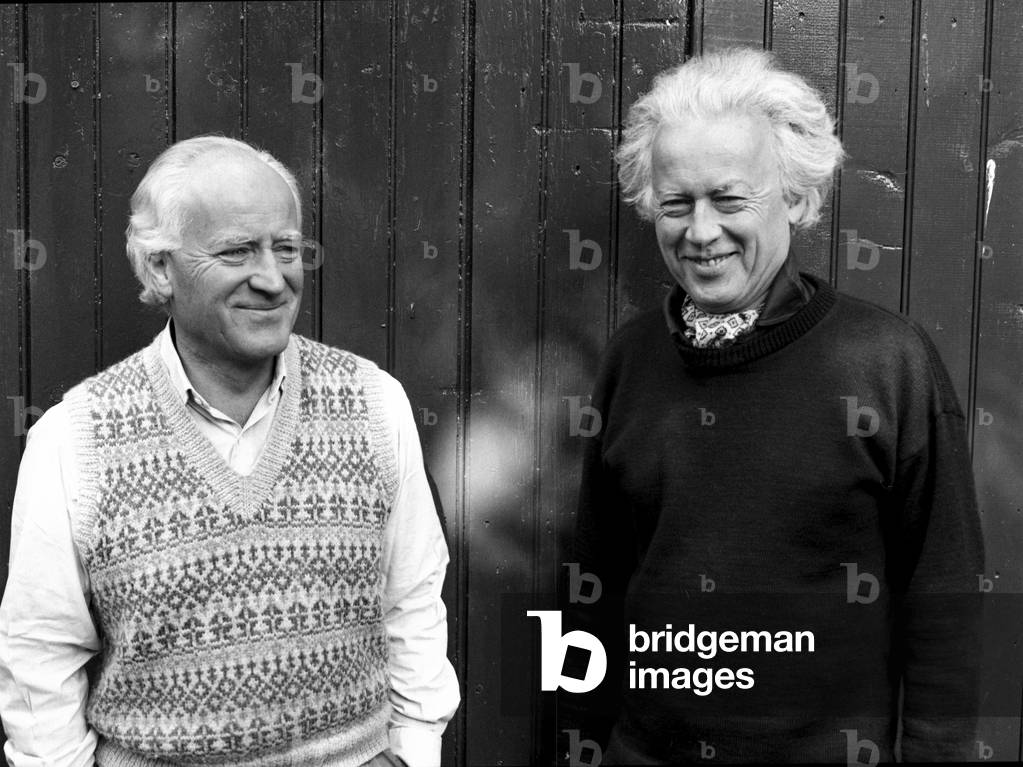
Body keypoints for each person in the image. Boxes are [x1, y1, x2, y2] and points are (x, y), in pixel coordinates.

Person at [560, 47, 983, 763]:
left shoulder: (887, 362)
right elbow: (589, 591)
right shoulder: (630, 359)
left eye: (728, 199)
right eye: (675, 202)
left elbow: (945, 603)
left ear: (794, 196)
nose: (699, 232)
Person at [0, 136, 459, 766]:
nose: (272, 279)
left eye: (287, 249)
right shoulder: (74, 439)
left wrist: (412, 751)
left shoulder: (375, 403)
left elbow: (411, 601)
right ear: (161, 268)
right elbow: (40, 659)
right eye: (237, 251)